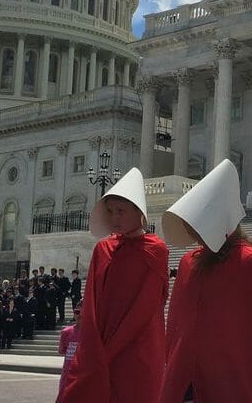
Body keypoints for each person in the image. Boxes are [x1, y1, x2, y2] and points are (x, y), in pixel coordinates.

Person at [159, 160, 252, 403]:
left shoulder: (248, 262)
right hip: (184, 379)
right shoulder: (188, 262)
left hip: (228, 382)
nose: (194, 235)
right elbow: (176, 325)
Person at [60, 168, 169, 403]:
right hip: (100, 347)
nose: (115, 218)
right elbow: (91, 303)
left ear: (138, 212)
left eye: (121, 211)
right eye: (110, 211)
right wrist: (94, 348)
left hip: (138, 349)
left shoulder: (156, 249)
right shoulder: (103, 248)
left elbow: (147, 306)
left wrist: (111, 349)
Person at [57, 300, 82, 402]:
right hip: (67, 373)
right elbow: (61, 350)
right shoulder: (66, 332)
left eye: (83, 312)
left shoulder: (91, 333)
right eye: (77, 312)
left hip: (82, 374)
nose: (79, 315)